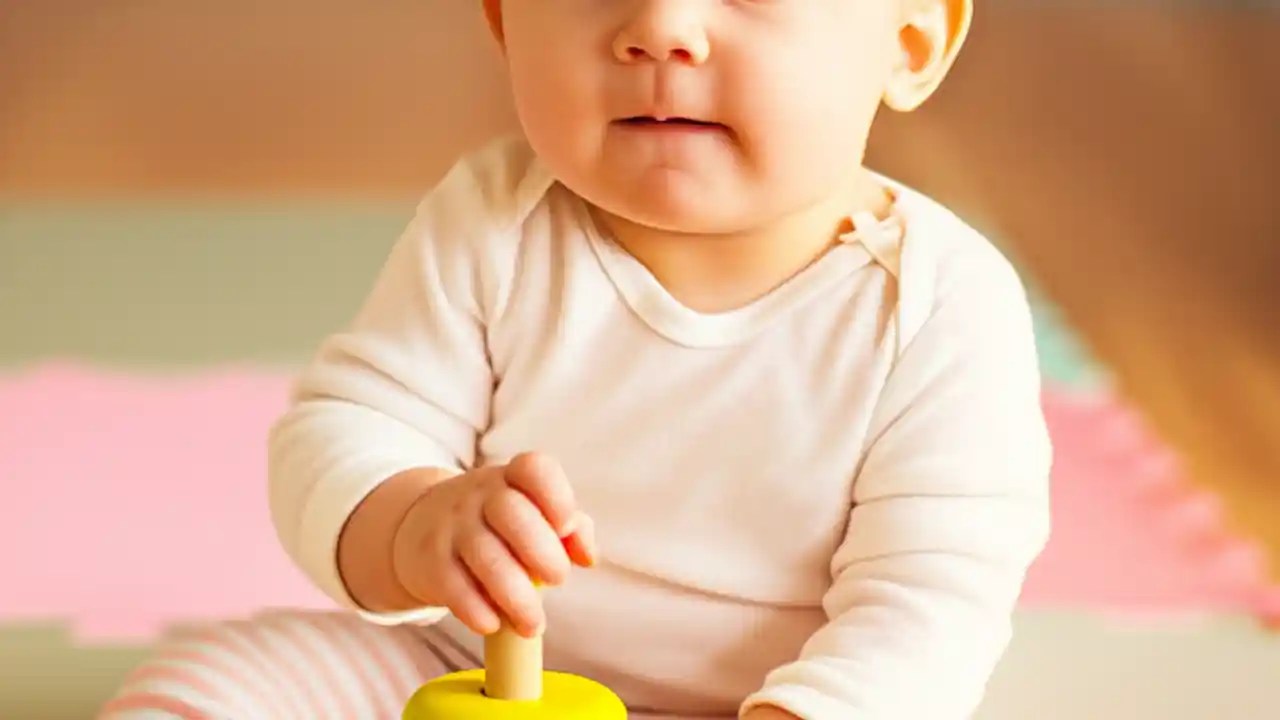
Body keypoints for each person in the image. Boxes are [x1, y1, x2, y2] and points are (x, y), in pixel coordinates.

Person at [101, 0, 1051, 717]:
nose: (661, 30)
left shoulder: (937, 307)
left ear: (910, 39)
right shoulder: (493, 222)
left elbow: (932, 602)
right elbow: (349, 424)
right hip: (470, 671)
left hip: (768, 699)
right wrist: (410, 525)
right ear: (505, 20)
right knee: (208, 685)